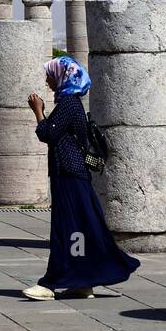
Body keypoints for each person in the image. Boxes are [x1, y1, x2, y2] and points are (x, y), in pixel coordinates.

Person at [24, 55, 140, 300]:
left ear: (63, 77)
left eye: (50, 75)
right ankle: (82, 282)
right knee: (79, 229)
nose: (47, 80)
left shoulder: (67, 103)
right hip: (73, 173)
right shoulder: (71, 102)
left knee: (65, 228)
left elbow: (47, 134)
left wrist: (38, 111)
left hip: (68, 173)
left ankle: (50, 284)